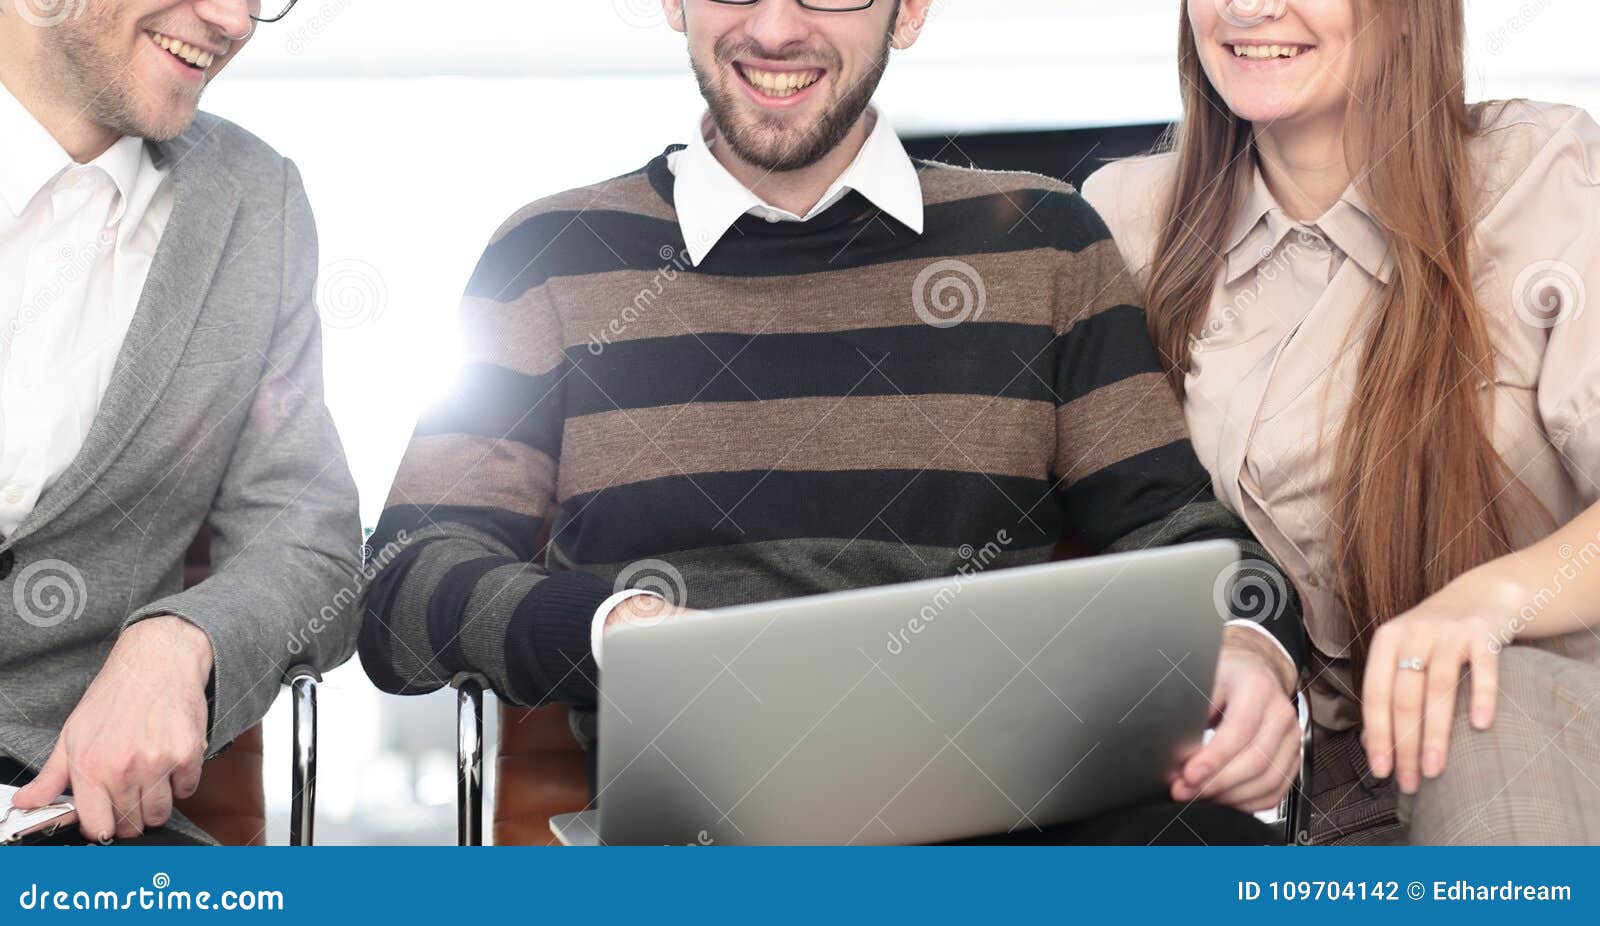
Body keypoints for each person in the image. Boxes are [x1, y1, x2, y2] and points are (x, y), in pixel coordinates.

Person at [360, 0, 1305, 844]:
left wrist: (1250, 646)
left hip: (1019, 831)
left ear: (911, 10)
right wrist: (612, 627)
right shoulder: (549, 258)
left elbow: (1181, 532)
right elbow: (401, 585)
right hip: (704, 845)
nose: (774, 29)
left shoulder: (1044, 240)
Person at [1083, 0, 1600, 844]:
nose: (1249, 8)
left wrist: (1488, 602)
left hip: (1528, 765)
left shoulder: (1545, 175)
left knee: (1481, 705)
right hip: (1274, 805)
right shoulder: (1124, 221)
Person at [1, 0, 362, 845]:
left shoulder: (253, 201)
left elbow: (308, 536)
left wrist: (181, 637)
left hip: (61, 817)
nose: (235, 20)